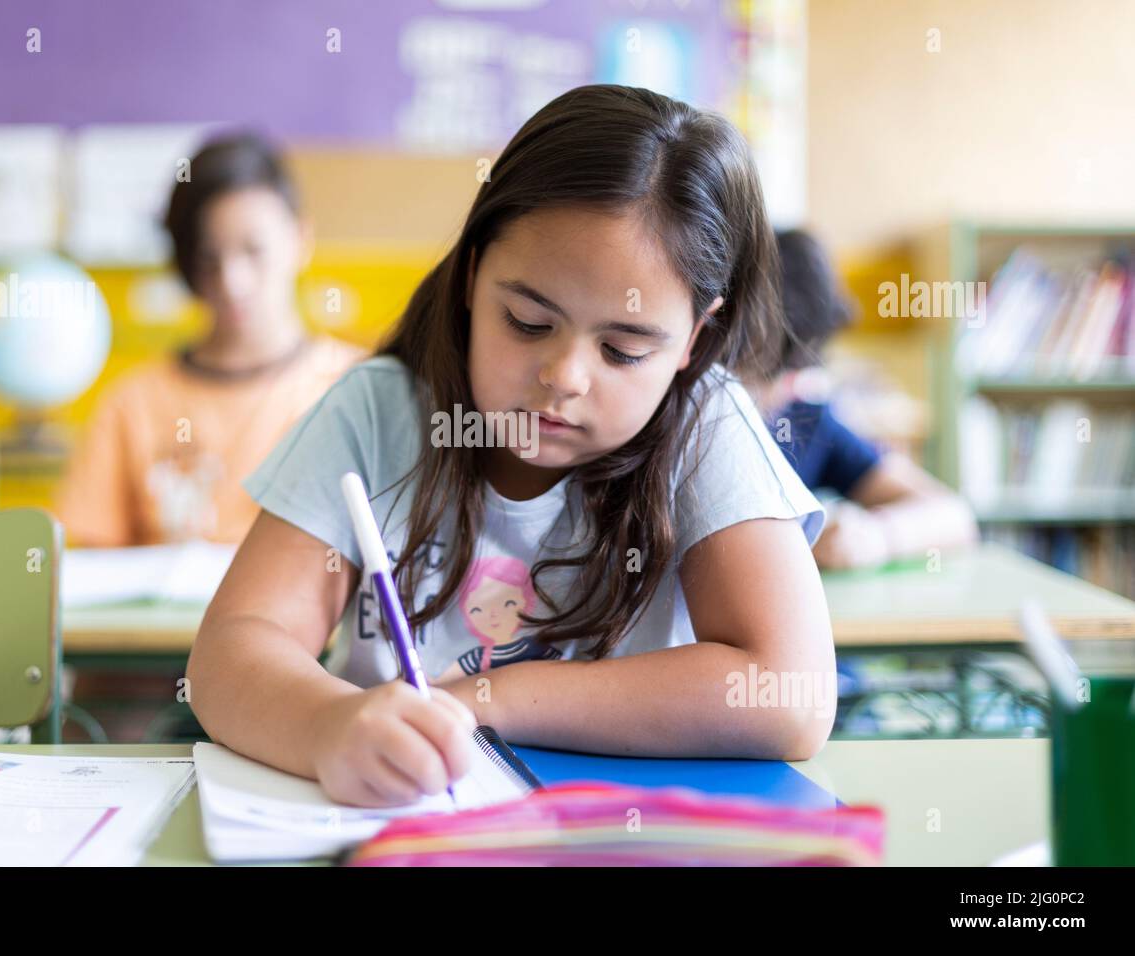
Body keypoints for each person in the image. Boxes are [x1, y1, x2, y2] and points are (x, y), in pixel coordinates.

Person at [188, 85, 836, 808]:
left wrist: (490, 696)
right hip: (404, 831)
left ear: (694, 339)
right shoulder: (377, 413)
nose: (563, 377)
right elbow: (229, 656)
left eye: (622, 350)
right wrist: (328, 725)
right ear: (471, 274)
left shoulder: (703, 425)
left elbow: (792, 693)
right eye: (528, 321)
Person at [56, 133, 365, 546]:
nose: (232, 281)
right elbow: (94, 562)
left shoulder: (361, 388)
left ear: (299, 240)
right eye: (208, 258)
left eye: (253, 251)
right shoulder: (133, 403)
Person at [749, 230, 978, 571]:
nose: (762, 395)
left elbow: (954, 516)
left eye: (783, 370)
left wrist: (875, 536)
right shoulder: (692, 423)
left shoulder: (806, 423)